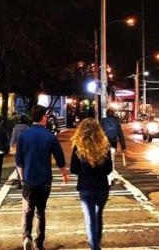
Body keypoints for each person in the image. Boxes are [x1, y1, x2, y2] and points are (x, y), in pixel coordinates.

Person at [16, 105, 70, 250]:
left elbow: (19, 161)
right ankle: (39, 243)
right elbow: (59, 158)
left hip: (28, 179)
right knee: (40, 212)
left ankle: (26, 237)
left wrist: (22, 179)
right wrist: (64, 173)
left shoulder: (24, 136)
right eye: (46, 116)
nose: (47, 118)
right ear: (43, 117)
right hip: (44, 180)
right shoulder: (49, 136)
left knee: (27, 211)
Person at [70, 118, 113, 250]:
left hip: (86, 186)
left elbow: (73, 168)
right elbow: (109, 169)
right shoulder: (104, 146)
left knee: (90, 218)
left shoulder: (78, 146)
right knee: (98, 215)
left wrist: (83, 170)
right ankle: (96, 243)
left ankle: (94, 246)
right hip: (101, 187)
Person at [10, 115, 30, 188]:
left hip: (17, 148)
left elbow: (13, 138)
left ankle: (20, 181)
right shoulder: (28, 128)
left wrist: (11, 147)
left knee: (18, 164)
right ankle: (26, 180)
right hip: (26, 148)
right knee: (26, 164)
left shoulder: (15, 128)